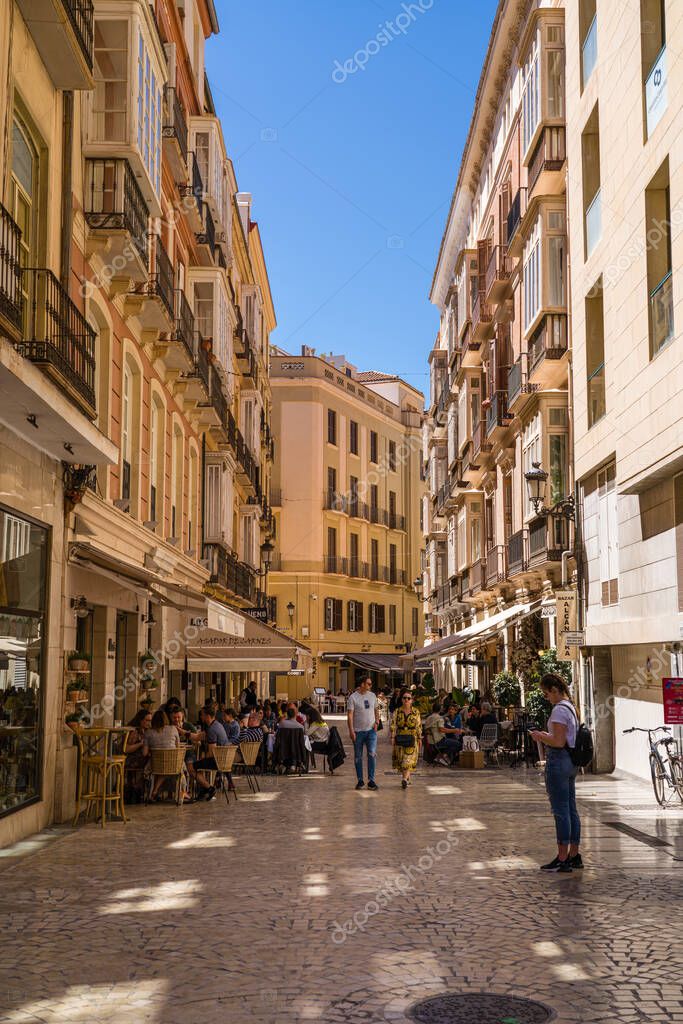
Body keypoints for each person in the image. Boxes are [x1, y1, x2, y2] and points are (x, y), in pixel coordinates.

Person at [530, 673, 582, 873]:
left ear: (553, 690)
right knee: (570, 809)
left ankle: (562, 858)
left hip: (559, 761)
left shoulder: (559, 710)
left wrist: (541, 736)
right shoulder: (571, 707)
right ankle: (574, 855)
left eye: (546, 693)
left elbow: (558, 741)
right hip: (571, 762)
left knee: (560, 811)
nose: (546, 697)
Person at [347, 677, 380, 791]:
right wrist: (351, 730)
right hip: (358, 731)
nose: (370, 686)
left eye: (371, 684)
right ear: (362, 684)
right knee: (358, 757)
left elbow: (376, 709)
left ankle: (371, 780)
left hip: (371, 731)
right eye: (368, 684)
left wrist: (377, 722)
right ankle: (360, 780)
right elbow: (350, 715)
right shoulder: (353, 697)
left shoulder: (372, 696)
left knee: (372, 754)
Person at [192, 707, 229, 801]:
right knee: (198, 764)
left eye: (202, 715)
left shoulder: (212, 729)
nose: (200, 717)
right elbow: (197, 737)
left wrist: (202, 759)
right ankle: (204, 789)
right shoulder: (217, 725)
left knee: (192, 767)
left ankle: (209, 788)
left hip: (217, 761)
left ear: (207, 716)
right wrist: (182, 732)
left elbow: (211, 752)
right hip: (225, 759)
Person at [143, 710, 181, 801]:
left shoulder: (148, 733)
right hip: (173, 764)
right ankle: (182, 792)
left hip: (156, 765)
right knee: (170, 766)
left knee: (161, 767)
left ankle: (155, 791)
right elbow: (177, 748)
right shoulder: (173, 729)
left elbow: (144, 753)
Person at [391, 690, 422, 789]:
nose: (406, 700)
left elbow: (418, 726)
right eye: (404, 698)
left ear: (412, 700)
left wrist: (420, 738)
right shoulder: (397, 711)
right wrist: (392, 736)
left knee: (407, 760)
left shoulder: (416, 712)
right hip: (400, 738)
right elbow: (393, 725)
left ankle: (404, 779)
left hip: (412, 738)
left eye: (409, 698)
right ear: (401, 699)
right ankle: (407, 778)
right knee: (402, 760)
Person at [423, 701, 463, 766]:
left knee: (451, 741)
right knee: (458, 744)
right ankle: (443, 756)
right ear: (440, 709)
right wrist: (454, 730)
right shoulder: (439, 718)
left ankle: (441, 756)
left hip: (429, 741)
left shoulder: (428, 718)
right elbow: (442, 729)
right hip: (438, 741)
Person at [124, 709, 151, 802]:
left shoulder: (145, 731)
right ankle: (138, 790)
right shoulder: (134, 731)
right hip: (131, 759)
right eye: (147, 720)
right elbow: (126, 749)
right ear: (140, 720)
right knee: (150, 763)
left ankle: (139, 790)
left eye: (150, 721)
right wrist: (140, 744)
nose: (149, 723)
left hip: (140, 758)